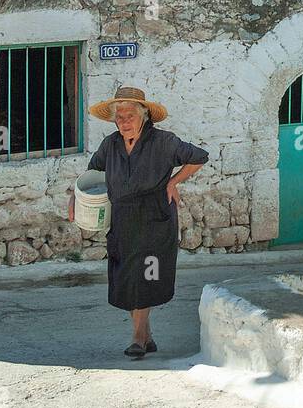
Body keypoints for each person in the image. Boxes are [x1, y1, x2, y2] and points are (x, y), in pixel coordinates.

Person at [79, 86, 208, 358]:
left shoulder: (164, 141)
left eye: (130, 116)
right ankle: (146, 336)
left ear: (144, 116)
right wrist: (74, 197)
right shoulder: (111, 145)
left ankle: (138, 338)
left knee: (145, 277)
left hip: (155, 219)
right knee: (127, 278)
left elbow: (199, 157)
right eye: (120, 117)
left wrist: (174, 181)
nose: (124, 122)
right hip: (123, 219)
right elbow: (93, 171)